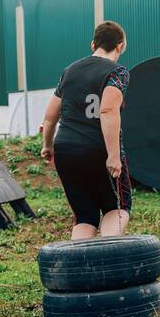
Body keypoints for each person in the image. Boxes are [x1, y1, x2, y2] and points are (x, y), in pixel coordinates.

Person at [40, 21, 133, 240]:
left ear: (93, 45)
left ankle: (82, 270)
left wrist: (47, 146)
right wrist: (113, 156)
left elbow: (50, 117)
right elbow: (108, 109)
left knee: (85, 215)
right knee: (116, 207)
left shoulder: (69, 71)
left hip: (66, 149)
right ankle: (108, 258)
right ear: (119, 46)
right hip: (96, 148)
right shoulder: (117, 72)